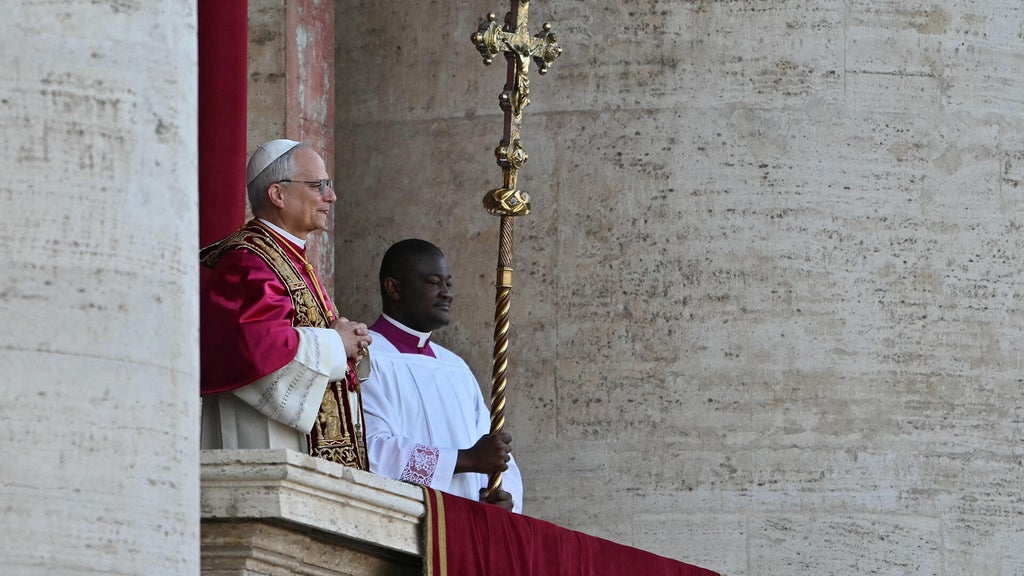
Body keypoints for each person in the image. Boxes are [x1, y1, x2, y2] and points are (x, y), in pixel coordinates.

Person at [199, 139, 372, 470]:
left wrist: (350, 341)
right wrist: (336, 344)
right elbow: (255, 346)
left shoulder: (291, 258)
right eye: (318, 185)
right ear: (278, 195)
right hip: (266, 454)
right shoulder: (248, 261)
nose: (331, 196)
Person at [361, 239, 524, 512]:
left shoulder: (455, 367)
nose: (446, 293)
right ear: (394, 288)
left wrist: (503, 495)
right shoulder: (364, 356)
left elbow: (493, 450)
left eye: (448, 284)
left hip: (468, 525)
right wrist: (467, 460)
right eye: (433, 282)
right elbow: (370, 452)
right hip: (406, 525)